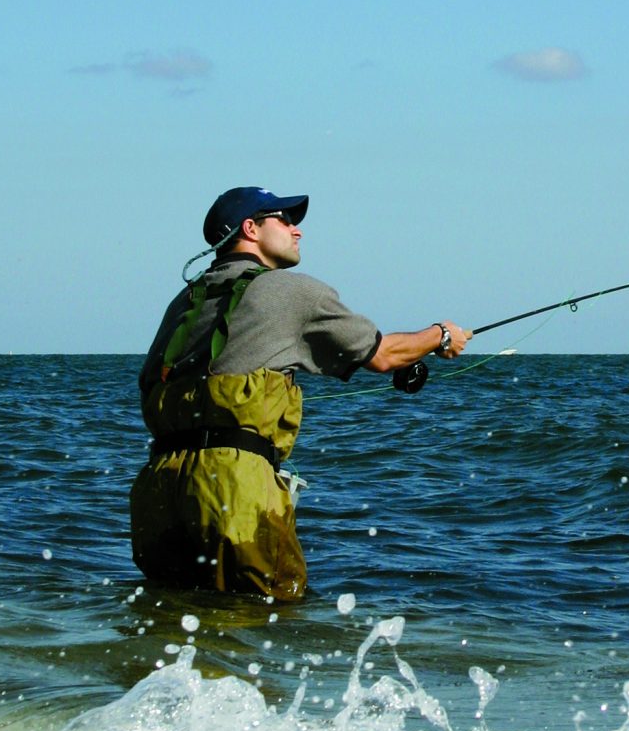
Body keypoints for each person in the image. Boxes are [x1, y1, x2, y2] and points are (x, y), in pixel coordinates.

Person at [131, 187, 471, 598]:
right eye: (286, 220)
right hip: (234, 489)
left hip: (159, 489)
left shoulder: (182, 303)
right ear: (250, 228)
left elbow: (150, 383)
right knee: (272, 620)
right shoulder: (292, 292)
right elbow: (383, 355)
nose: (298, 231)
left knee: (169, 615)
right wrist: (442, 335)